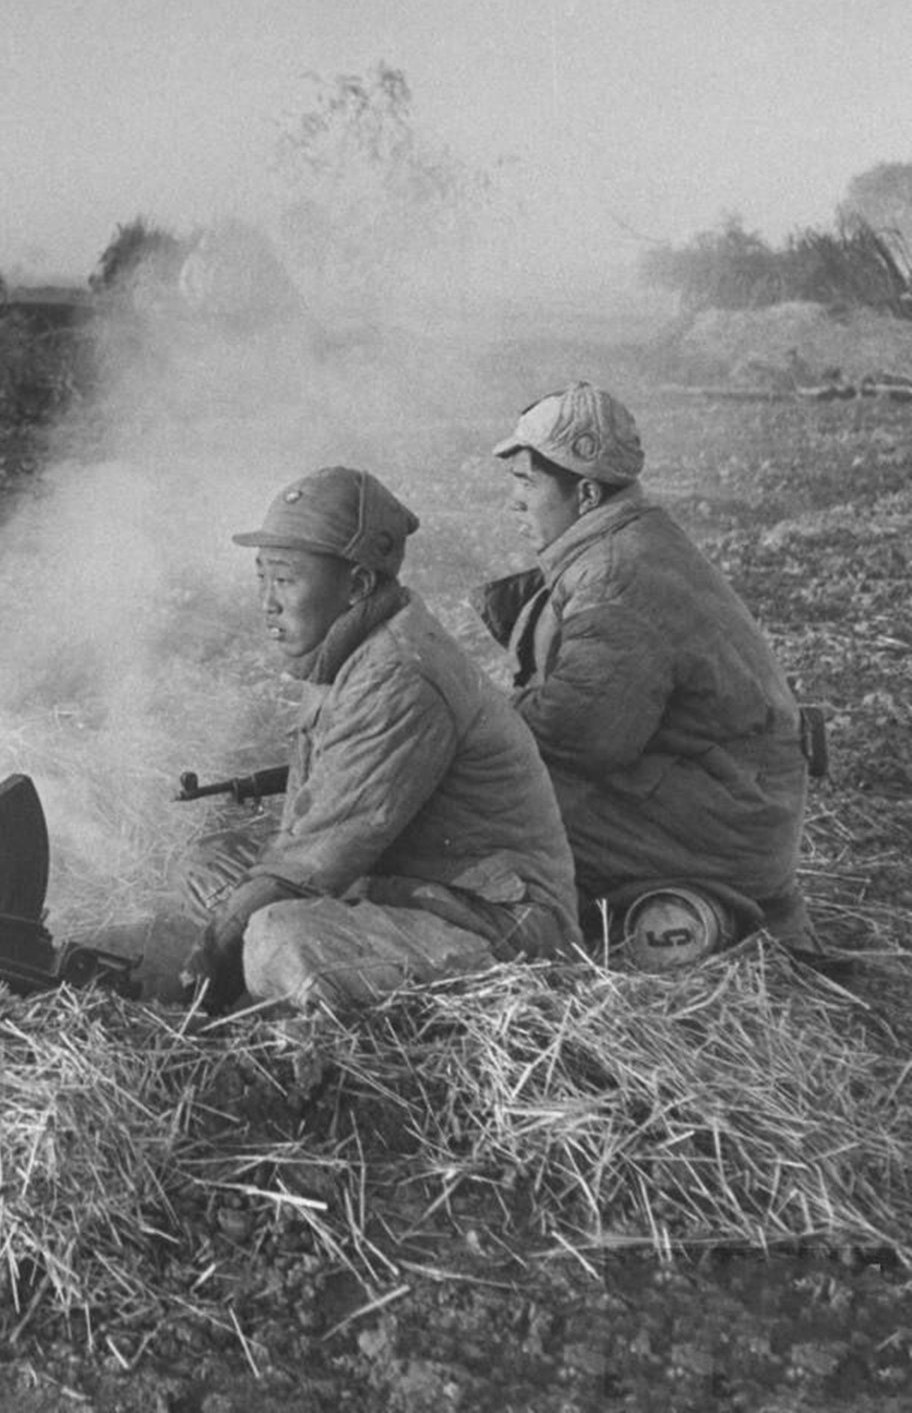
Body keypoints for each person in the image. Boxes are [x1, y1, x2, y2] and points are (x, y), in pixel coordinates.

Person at [181, 466, 580, 1013]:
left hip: (495, 931)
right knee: (207, 865)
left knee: (277, 936)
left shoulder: (399, 675)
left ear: (358, 586)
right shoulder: (342, 652)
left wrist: (209, 958)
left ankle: (265, 1014)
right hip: (402, 891)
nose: (266, 601)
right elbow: (305, 838)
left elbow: (314, 863)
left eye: (287, 579)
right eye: (262, 577)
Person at [477, 382, 818, 954]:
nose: (515, 500)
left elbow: (583, 737)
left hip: (725, 825)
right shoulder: (627, 544)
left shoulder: (617, 575)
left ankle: (677, 911)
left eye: (526, 482)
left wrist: (471, 726)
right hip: (728, 803)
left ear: (585, 493)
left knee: (486, 807)